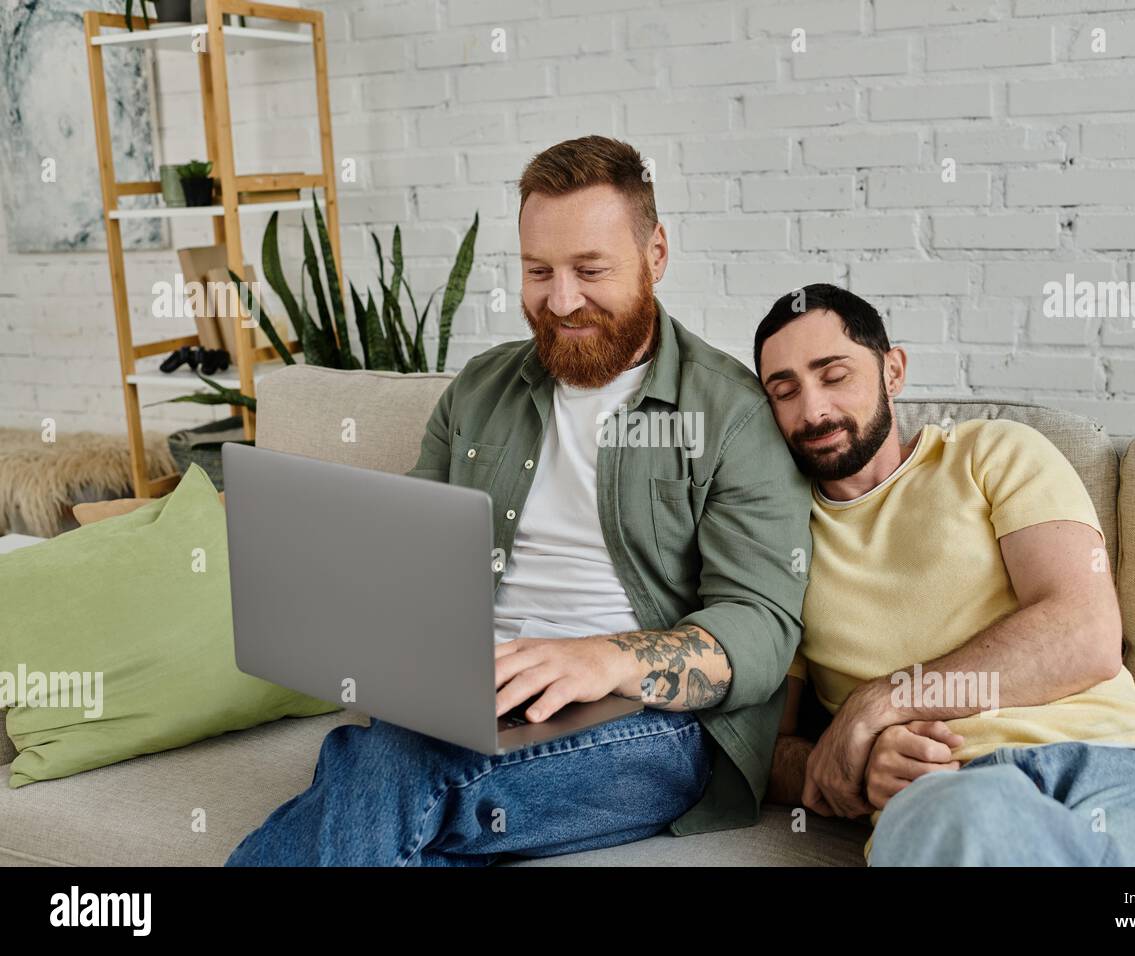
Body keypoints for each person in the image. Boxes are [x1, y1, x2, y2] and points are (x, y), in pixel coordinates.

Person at [226, 136, 811, 866]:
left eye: (590, 270)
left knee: (382, 762)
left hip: (649, 726)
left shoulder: (732, 414)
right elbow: (404, 544)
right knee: (408, 798)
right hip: (470, 702)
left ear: (655, 254)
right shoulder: (480, 388)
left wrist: (605, 660)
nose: (561, 300)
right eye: (540, 271)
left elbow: (761, 628)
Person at [756, 283, 1135, 866]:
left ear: (893, 370)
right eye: (784, 391)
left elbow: (1086, 635)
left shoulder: (993, 453)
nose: (812, 410)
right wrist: (852, 765)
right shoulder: (777, 542)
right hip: (949, 793)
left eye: (834, 375)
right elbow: (765, 748)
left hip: (1122, 760)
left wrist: (882, 701)